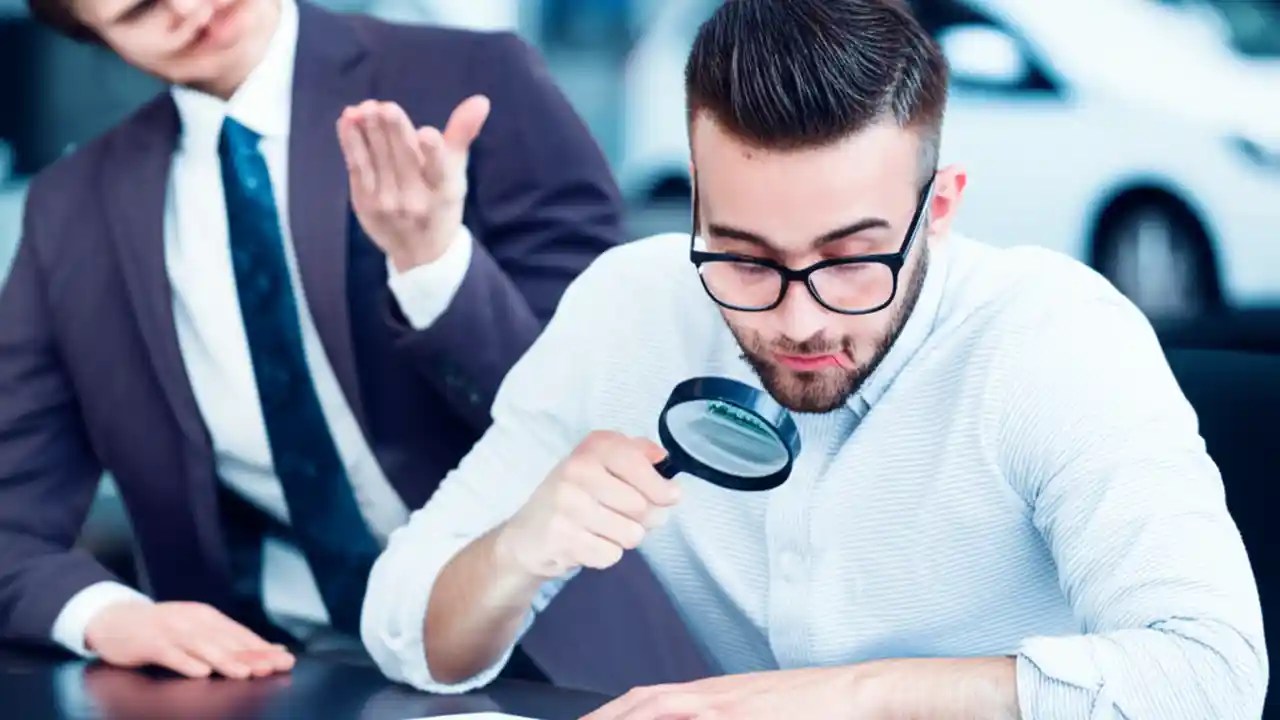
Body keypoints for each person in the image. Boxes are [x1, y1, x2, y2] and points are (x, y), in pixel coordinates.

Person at [361, 0, 1269, 717]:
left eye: (849, 260)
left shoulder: (1055, 339)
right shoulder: (629, 307)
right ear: (696, 204)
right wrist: (519, 550)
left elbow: (1212, 676)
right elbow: (400, 623)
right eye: (746, 257)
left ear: (938, 208)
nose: (798, 322)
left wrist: (842, 698)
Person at [0, 0, 624, 683]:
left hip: (533, 649)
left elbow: (602, 405)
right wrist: (112, 614)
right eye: (139, 9)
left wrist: (436, 267)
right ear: (95, 36)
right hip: (266, 675)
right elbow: (10, 519)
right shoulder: (73, 210)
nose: (187, 8)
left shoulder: (471, 78)